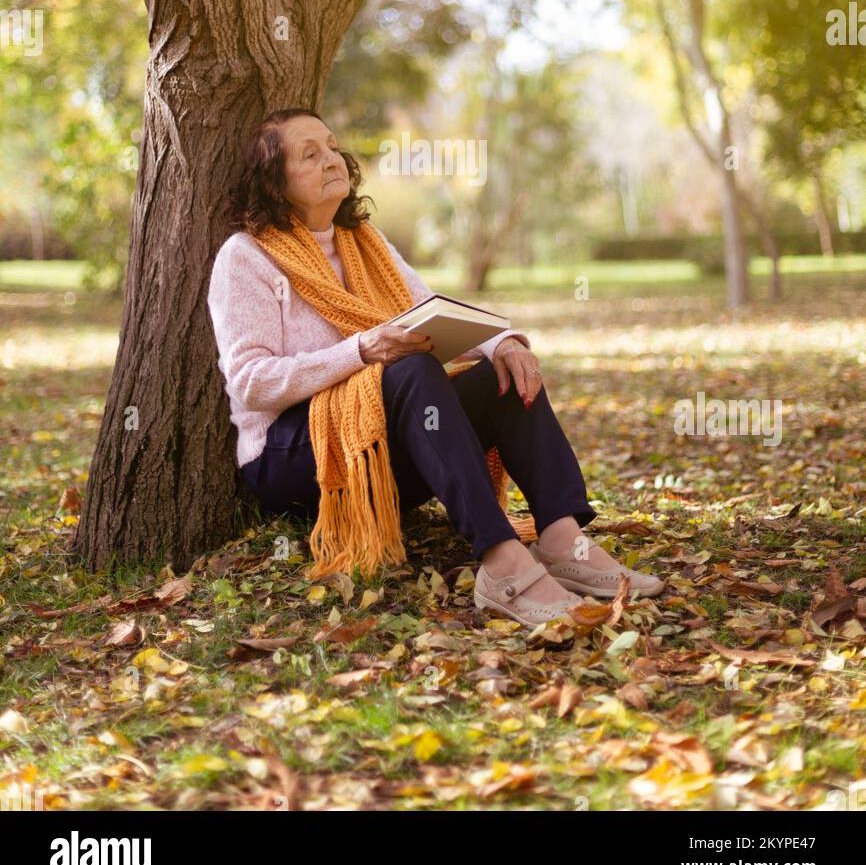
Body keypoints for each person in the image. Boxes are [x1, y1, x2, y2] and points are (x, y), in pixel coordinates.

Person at [207, 107, 663, 629]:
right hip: (295, 459)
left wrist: (506, 342)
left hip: (384, 444)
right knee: (408, 370)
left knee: (501, 374)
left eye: (332, 146)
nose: (332, 159)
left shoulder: (366, 243)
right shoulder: (245, 257)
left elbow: (432, 311)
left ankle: (562, 541)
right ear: (272, 181)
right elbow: (251, 383)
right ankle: (503, 564)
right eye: (310, 154)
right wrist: (360, 350)